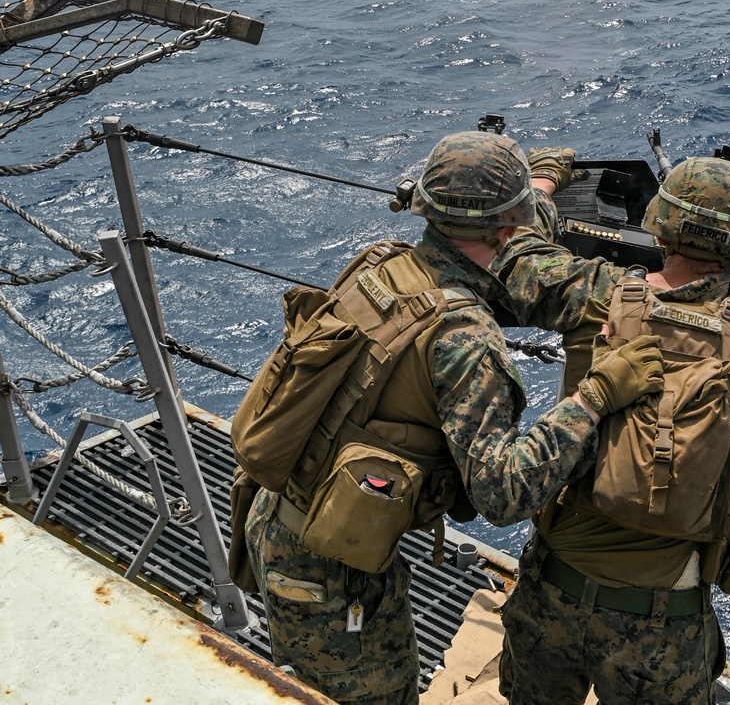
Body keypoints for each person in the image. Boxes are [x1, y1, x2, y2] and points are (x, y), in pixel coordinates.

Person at [243, 131, 664, 705]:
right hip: (333, 578)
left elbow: (497, 233)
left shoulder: (385, 266)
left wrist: (539, 182)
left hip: (282, 523)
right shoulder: (463, 337)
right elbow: (503, 493)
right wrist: (596, 396)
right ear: (510, 227)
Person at [491, 149, 730, 705]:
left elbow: (512, 253)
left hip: (554, 586)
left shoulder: (597, 292)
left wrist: (544, 181)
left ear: (661, 229)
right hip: (666, 612)